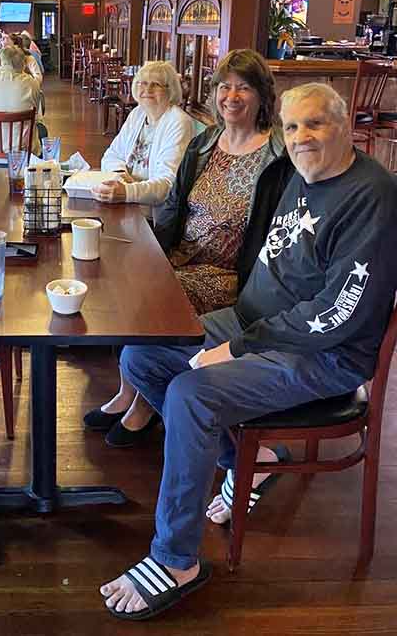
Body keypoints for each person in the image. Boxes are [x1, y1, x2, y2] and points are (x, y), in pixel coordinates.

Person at [100, 82, 397, 620]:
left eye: (315, 124)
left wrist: (238, 346)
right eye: (291, 127)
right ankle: (248, 460)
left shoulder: (371, 196)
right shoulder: (302, 175)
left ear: (346, 124)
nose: (301, 137)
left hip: (322, 355)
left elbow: (340, 313)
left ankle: (176, 560)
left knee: (192, 394)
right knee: (142, 356)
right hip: (253, 323)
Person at [86, 50, 289, 447]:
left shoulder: (278, 156)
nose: (231, 96)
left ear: (263, 96)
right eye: (224, 87)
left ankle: (143, 406)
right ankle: (134, 394)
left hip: (233, 276)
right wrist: (148, 252)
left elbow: (280, 235)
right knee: (125, 282)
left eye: (243, 87)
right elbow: (176, 204)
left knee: (149, 301)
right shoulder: (207, 142)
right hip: (184, 255)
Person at [93, 61, 193, 222]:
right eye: (142, 83)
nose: (147, 89)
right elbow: (111, 155)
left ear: (170, 90)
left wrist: (127, 192)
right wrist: (120, 175)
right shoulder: (138, 114)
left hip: (153, 218)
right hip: (126, 204)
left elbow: (168, 184)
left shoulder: (179, 122)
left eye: (156, 84)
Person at [0, 45, 43, 154]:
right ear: (23, 64)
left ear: (0, 61)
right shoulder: (31, 83)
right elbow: (36, 114)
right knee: (42, 129)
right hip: (23, 152)